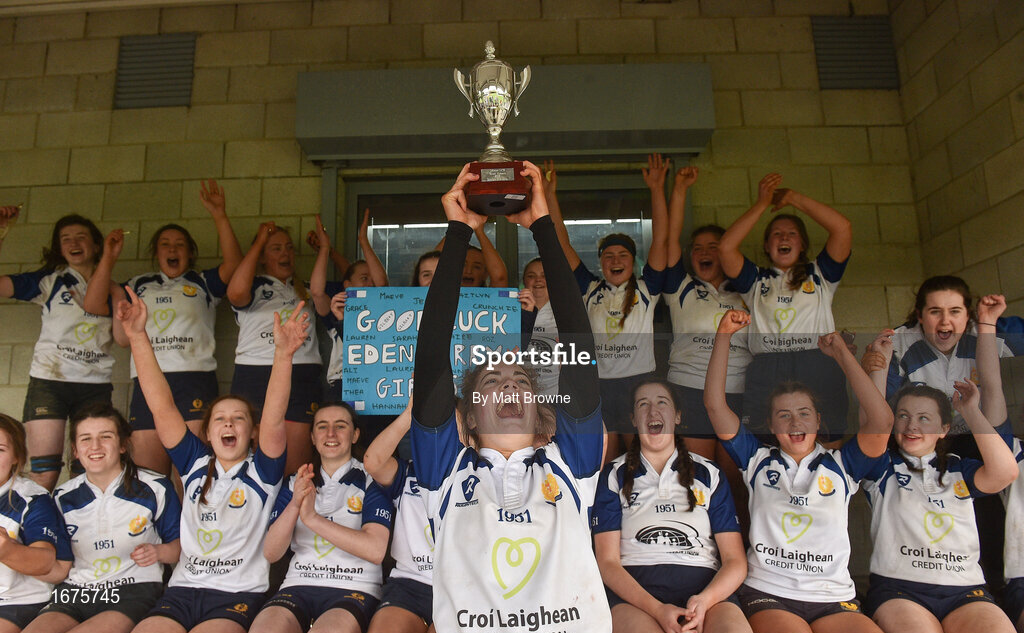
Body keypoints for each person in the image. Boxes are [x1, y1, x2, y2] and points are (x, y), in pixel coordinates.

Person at [411, 162, 612, 632]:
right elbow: (431, 354)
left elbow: (578, 343)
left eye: (522, 380)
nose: (508, 385)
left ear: (542, 413)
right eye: (490, 382)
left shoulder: (571, 463)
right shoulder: (445, 471)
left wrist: (543, 225)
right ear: (468, 417)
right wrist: (458, 233)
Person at [120, 286, 304, 633]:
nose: (229, 424)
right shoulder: (194, 463)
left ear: (252, 432)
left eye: (238, 418)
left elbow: (274, 417)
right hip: (182, 591)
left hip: (236, 594)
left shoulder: (263, 470)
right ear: (207, 432)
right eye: (220, 418)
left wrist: (283, 355)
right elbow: (162, 407)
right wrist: (138, 336)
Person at [704, 310, 892, 633]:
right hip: (771, 593)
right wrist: (723, 336)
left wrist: (841, 354)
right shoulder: (756, 460)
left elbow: (882, 421)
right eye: (784, 415)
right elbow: (714, 406)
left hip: (834, 596)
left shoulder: (842, 465)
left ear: (818, 420)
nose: (795, 423)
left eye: (804, 413)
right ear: (770, 424)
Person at [862, 295, 1017, 633]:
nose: (912, 426)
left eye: (924, 418)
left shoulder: (959, 468)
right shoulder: (881, 466)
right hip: (900, 590)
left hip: (965, 591)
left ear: (944, 428)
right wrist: (878, 368)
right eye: (903, 416)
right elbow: (872, 421)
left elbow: (1005, 472)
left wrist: (971, 411)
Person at [82, 180, 243, 476]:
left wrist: (219, 215)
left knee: (192, 472)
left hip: (194, 379)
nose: (172, 249)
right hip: (148, 379)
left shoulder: (202, 282)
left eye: (180, 244)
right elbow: (92, 304)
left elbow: (234, 265)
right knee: (149, 475)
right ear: (156, 253)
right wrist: (109, 257)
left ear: (190, 253)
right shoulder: (138, 284)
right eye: (165, 244)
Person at [593, 378, 751, 633]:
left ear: (677, 416)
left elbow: (735, 560)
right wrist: (657, 609)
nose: (652, 411)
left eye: (662, 403)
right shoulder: (613, 475)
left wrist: (704, 601)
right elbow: (607, 562)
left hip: (705, 590)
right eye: (643, 404)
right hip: (637, 595)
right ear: (633, 420)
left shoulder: (709, 473)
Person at [545, 159, 667, 458]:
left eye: (623, 255)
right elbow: (561, 244)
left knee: (640, 456)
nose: (615, 260)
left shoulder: (647, 288)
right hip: (598, 384)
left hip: (639, 383)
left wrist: (656, 189)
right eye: (608, 255)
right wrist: (549, 195)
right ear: (600, 262)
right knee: (605, 457)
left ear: (633, 261)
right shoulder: (590, 288)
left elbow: (661, 239)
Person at [719, 174, 853, 443]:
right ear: (767, 246)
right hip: (768, 365)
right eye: (776, 234)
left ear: (802, 244)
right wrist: (762, 204)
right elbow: (726, 248)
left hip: (817, 361)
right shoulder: (756, 280)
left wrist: (793, 198)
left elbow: (842, 228)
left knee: (827, 437)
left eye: (792, 234)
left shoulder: (821, 274)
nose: (784, 237)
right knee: (765, 442)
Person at [26, 404, 181, 633]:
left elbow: (181, 548)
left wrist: (159, 552)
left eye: (105, 436)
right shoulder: (62, 496)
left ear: (122, 444)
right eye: (86, 439)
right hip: (75, 591)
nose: (95, 446)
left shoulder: (155, 487)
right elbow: (59, 563)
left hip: (133, 591)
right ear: (75, 450)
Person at [252, 402, 393, 633]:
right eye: (322, 426)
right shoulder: (296, 481)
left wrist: (312, 519)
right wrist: (295, 503)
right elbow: (271, 552)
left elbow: (375, 550)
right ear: (312, 437)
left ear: (355, 435)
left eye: (341, 426)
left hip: (355, 587)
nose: (331, 433)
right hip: (298, 584)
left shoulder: (372, 480)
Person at [0, 208, 113, 490]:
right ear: (59, 248)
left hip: (94, 384)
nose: (74, 243)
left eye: (81, 236)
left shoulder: (114, 288)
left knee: (89, 472)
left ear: (96, 245)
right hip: (50, 382)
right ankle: (30, 519)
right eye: (66, 239)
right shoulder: (49, 280)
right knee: (44, 473)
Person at [226, 222, 321, 475]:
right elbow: (235, 294)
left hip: (302, 373)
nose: (284, 253)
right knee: (256, 460)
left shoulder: (307, 288)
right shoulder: (254, 285)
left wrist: (326, 250)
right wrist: (259, 242)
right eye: (276, 248)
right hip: (256, 373)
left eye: (289, 248)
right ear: (262, 256)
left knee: (297, 464)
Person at [364, 400, 436, 633]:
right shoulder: (406, 472)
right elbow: (373, 462)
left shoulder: (477, 470)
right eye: (426, 428)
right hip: (410, 584)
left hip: (462, 586)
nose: (435, 435)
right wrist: (410, 412)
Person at [0, 413, 63, 633]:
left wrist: (7, 550)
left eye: (0, 450)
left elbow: (45, 561)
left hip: (16, 602)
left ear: (17, 456)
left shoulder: (32, 498)